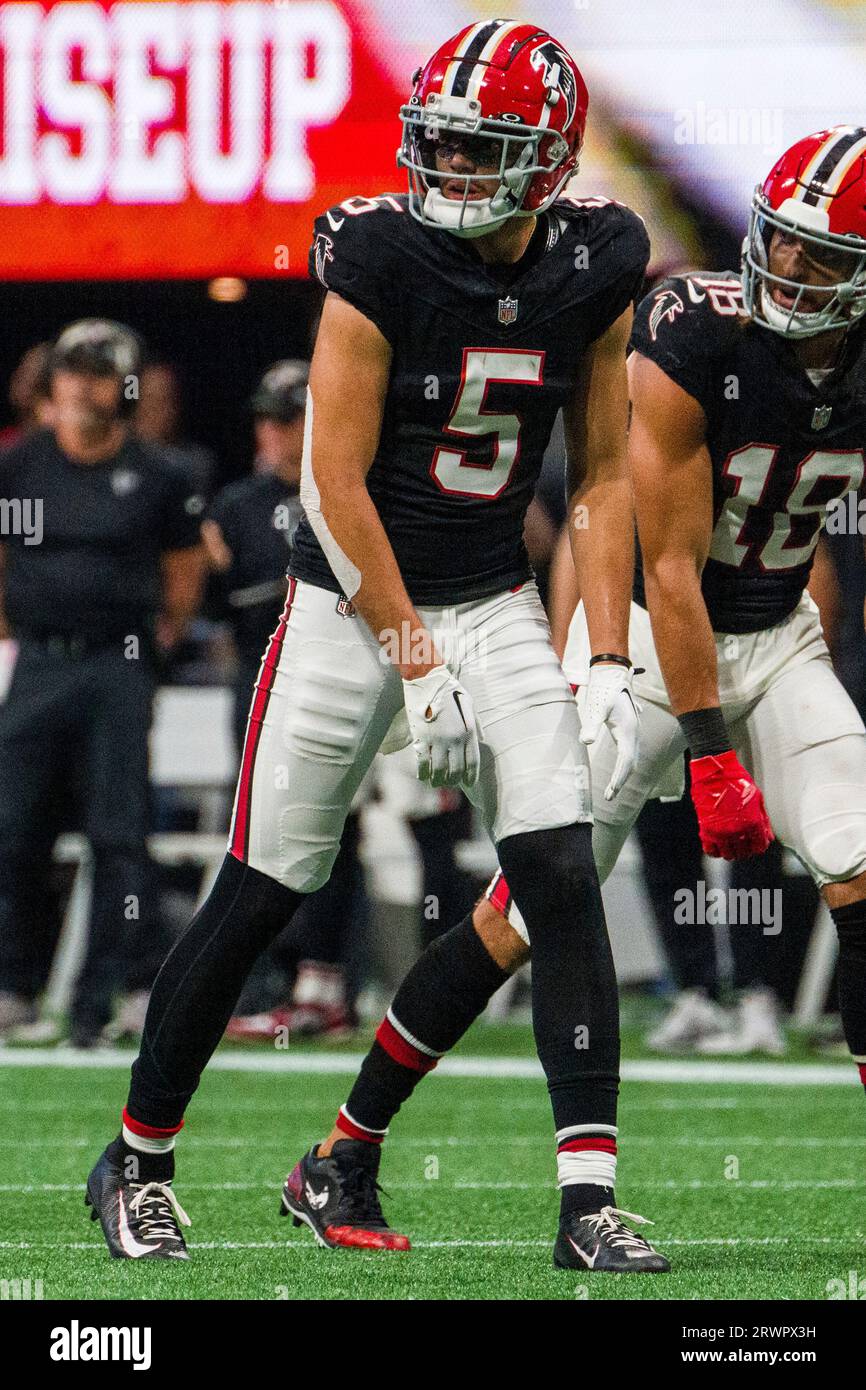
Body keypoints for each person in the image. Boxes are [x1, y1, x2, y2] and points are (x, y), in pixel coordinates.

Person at [84, 19, 668, 1273]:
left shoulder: (598, 258)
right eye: (442, 144)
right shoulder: (379, 251)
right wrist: (412, 655)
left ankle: (586, 1204)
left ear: (549, 161)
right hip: (348, 603)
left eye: (481, 149)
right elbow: (331, 480)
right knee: (263, 887)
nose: (451, 169)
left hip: (495, 594)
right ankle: (134, 1158)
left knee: (559, 873)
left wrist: (607, 651)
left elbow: (606, 474)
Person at [338, 126, 866, 1206]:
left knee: (858, 868)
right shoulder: (691, 334)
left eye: (821, 257)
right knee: (520, 917)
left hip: (775, 637)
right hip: (650, 639)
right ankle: (347, 1141)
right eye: (783, 240)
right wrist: (706, 752)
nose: (788, 268)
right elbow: (664, 562)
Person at [0, 320, 205, 1045]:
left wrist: (154, 641)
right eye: (71, 371)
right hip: (41, 659)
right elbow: (6, 557)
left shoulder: (160, 476)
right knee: (15, 825)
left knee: (118, 833)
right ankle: (15, 986)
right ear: (51, 381)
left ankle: (107, 997)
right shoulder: (23, 470)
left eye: (96, 373)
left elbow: (184, 575)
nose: (82, 386)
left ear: (121, 386)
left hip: (116, 665)